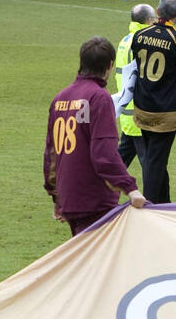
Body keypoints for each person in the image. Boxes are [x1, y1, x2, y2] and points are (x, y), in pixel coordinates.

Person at [44, 38, 147, 236]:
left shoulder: (60, 98)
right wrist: (130, 188)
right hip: (94, 200)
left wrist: (57, 196)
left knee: (85, 259)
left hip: (69, 197)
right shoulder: (99, 98)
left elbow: (51, 153)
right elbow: (104, 153)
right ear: (110, 65)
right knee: (99, 263)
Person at [114, 0, 176, 203]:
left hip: (142, 108)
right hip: (165, 111)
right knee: (155, 161)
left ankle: (164, 203)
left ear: (158, 11)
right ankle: (151, 204)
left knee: (155, 160)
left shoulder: (139, 36)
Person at [114, 2, 155, 171]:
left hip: (127, 111)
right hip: (140, 112)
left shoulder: (125, 40)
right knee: (151, 167)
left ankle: (97, 192)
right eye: (154, 19)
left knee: (118, 164)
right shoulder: (142, 41)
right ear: (147, 20)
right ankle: (155, 198)